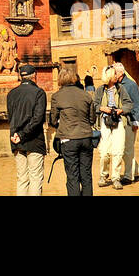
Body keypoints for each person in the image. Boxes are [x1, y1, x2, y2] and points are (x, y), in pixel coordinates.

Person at [48, 68, 96, 196]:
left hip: (68, 139)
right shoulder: (86, 94)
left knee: (72, 176)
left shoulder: (57, 96)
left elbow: (52, 120)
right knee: (86, 175)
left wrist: (60, 123)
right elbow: (92, 119)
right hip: (86, 137)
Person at [6, 63, 47, 196]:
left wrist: (16, 135)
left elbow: (11, 118)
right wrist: (23, 134)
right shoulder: (39, 93)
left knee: (22, 179)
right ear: (34, 76)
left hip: (16, 139)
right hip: (33, 139)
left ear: (21, 76)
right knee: (35, 177)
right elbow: (37, 119)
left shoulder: (11, 94)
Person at [95, 66, 133, 189]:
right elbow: (93, 105)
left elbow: (129, 104)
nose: (117, 76)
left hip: (119, 121)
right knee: (104, 151)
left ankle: (116, 177)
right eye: (115, 74)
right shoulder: (100, 90)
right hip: (105, 121)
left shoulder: (121, 89)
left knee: (118, 150)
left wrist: (121, 110)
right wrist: (102, 108)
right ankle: (103, 175)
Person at [113, 62, 139, 184]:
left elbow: (137, 103)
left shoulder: (131, 85)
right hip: (120, 121)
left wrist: (136, 121)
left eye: (114, 72)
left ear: (120, 73)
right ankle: (137, 171)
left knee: (128, 148)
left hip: (130, 120)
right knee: (124, 148)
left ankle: (128, 176)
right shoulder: (115, 85)